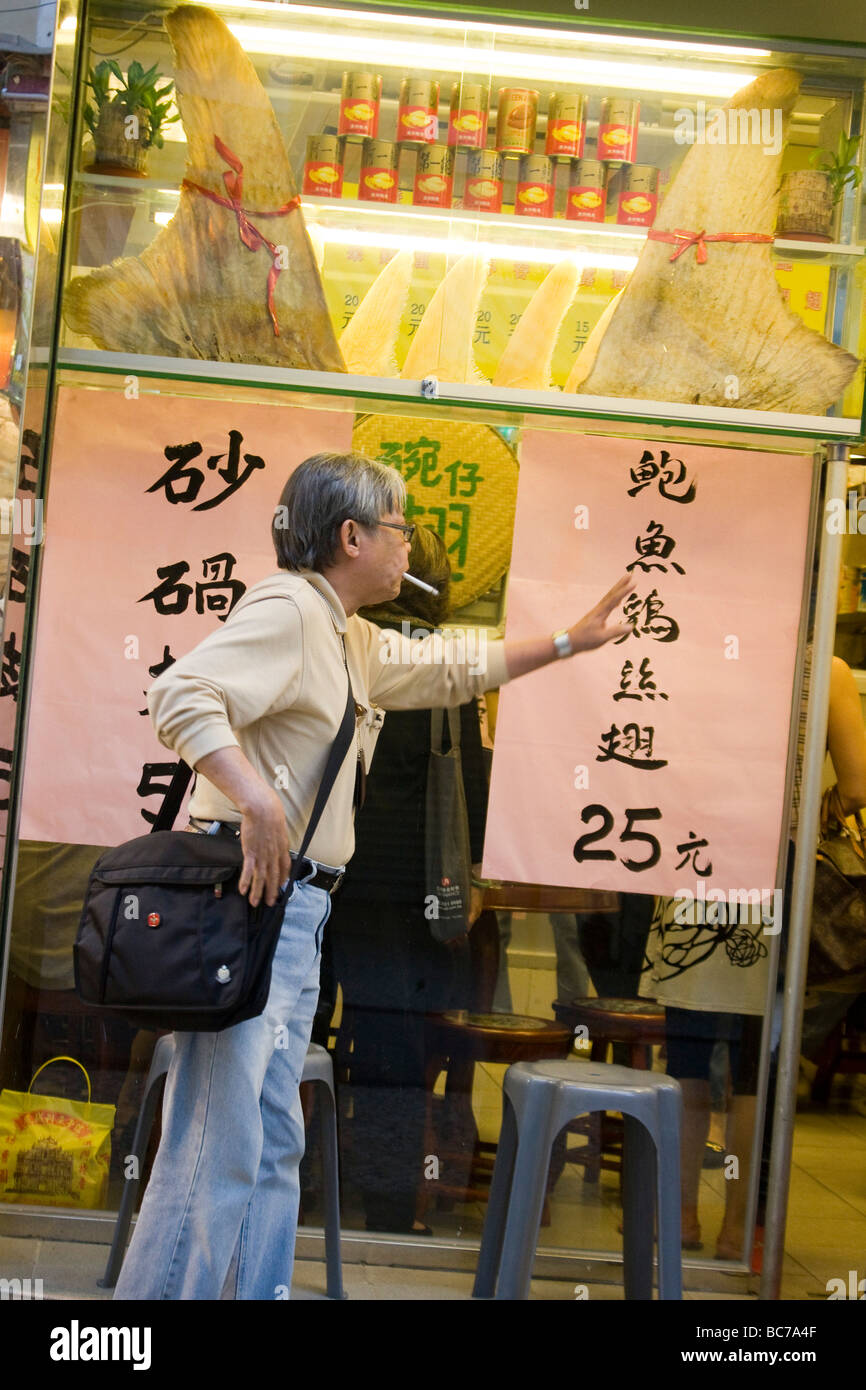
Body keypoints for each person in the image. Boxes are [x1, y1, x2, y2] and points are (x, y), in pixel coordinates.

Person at [113, 449, 632, 1300]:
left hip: (295, 913)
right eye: (399, 526)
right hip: (250, 905)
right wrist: (256, 801)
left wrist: (573, 639)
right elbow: (180, 695)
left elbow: (455, 668)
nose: (409, 544)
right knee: (219, 1137)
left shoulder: (345, 633)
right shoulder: (288, 610)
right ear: (350, 537)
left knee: (274, 1133)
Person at [643, 648, 866, 1261]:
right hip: (776, 872)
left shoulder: (706, 649)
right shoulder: (830, 670)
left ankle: (678, 1215)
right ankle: (739, 1226)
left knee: (686, 1050)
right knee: (755, 1063)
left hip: (693, 860)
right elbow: (858, 783)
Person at [327, 526, 486, 1234]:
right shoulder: (442, 666)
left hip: (315, 875)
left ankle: (294, 1183)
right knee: (392, 1049)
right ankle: (389, 1207)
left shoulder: (336, 643)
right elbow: (471, 787)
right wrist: (471, 878)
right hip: (404, 889)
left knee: (289, 1035)